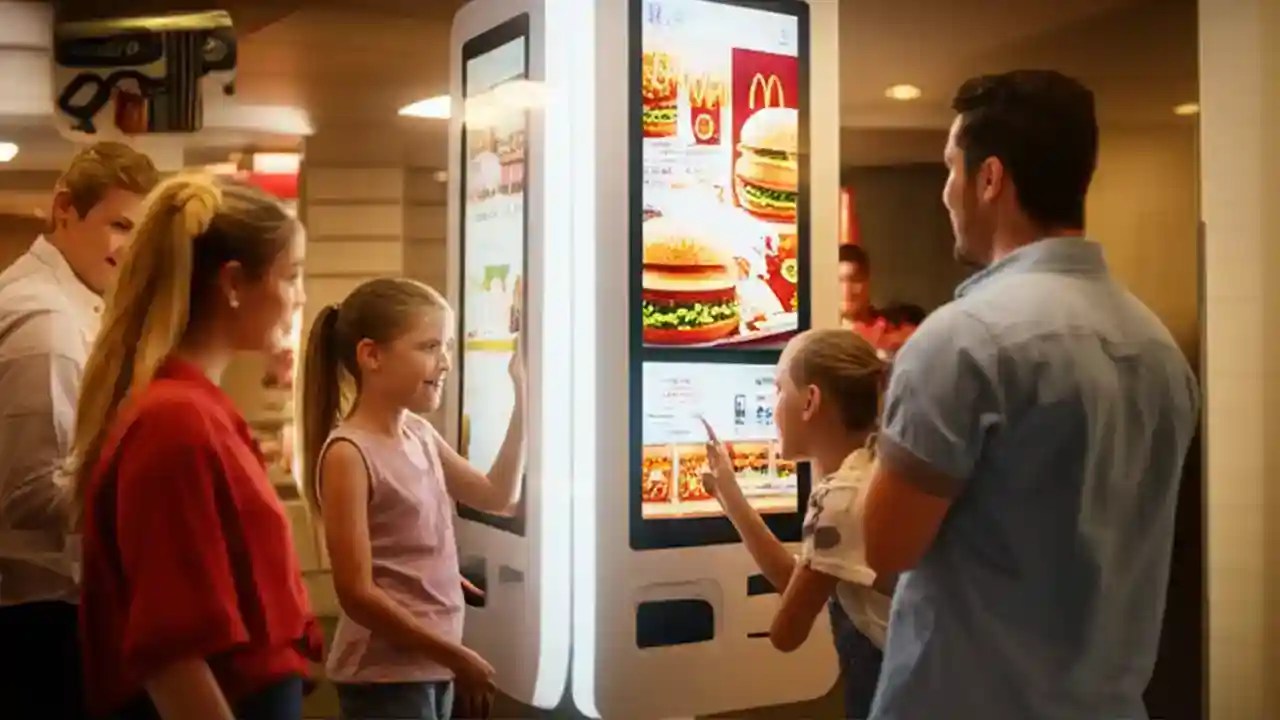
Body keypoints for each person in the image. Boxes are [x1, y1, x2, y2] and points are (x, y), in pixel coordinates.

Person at [862, 70, 1200, 720]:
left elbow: (883, 551)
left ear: (989, 179)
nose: (946, 194)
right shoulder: (1158, 348)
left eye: (949, 171)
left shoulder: (961, 341)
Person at [69, 174, 321, 720]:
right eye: (292, 276)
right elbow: (172, 652)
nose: (300, 296)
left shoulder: (198, 410)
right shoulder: (176, 422)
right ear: (233, 283)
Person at [301, 277, 526, 720]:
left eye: (445, 348)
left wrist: (523, 397)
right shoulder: (349, 453)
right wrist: (456, 656)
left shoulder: (420, 434)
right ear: (372, 356)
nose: (444, 363)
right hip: (385, 677)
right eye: (428, 347)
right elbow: (357, 594)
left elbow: (497, 495)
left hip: (430, 666)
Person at [0, 141, 158, 718]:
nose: (129, 248)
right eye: (119, 224)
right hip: (41, 615)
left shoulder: (74, 304)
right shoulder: (47, 321)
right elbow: (31, 494)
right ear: (64, 209)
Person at [700, 329, 893, 719]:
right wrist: (731, 497)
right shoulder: (876, 467)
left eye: (777, 389)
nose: (772, 406)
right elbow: (801, 580)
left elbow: (786, 633)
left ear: (810, 400)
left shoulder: (838, 499)